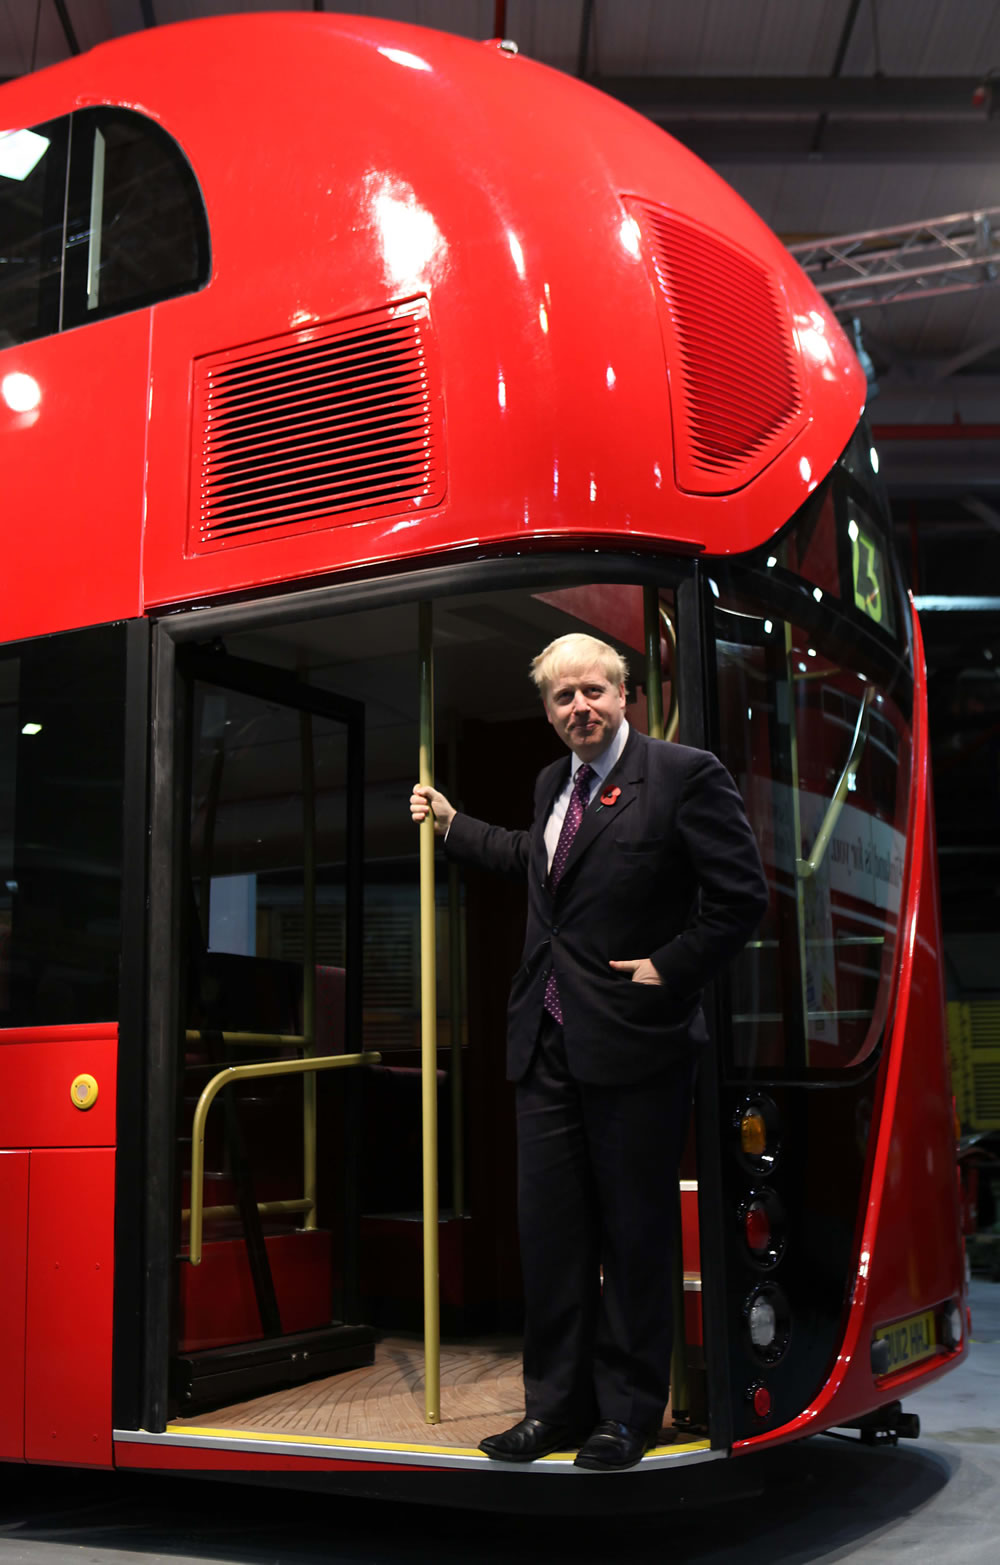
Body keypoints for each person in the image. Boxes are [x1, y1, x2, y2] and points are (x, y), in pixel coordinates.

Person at [410, 632, 767, 1471]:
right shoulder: (551, 784)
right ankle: (555, 1409)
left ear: (626, 694)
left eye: (595, 691)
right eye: (564, 696)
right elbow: (534, 864)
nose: (581, 708)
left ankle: (627, 1414)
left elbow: (741, 894)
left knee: (635, 1236)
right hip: (546, 1041)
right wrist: (455, 824)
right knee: (554, 1237)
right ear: (548, 709)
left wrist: (670, 967)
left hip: (637, 1042)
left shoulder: (682, 775)